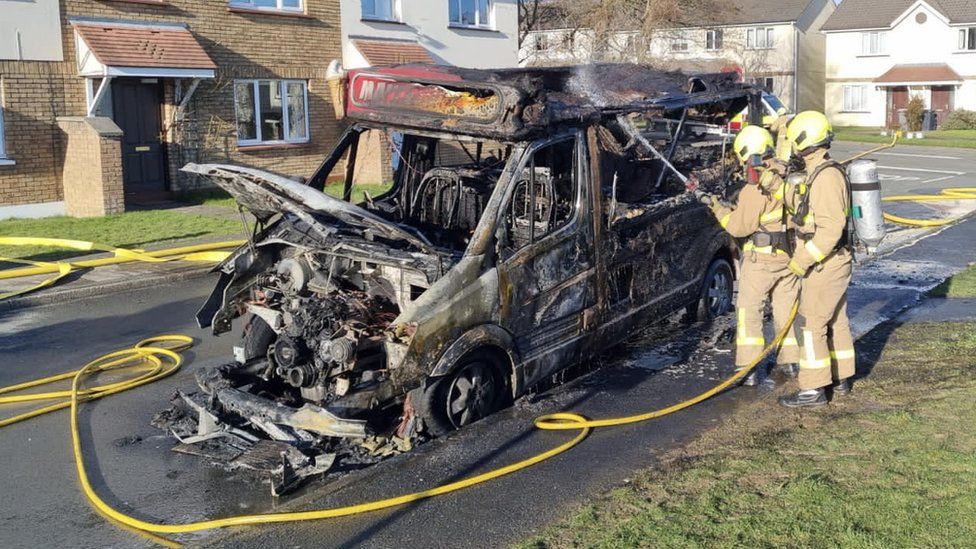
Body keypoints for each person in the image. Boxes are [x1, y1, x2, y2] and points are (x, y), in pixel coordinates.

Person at [707, 126, 800, 386]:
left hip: (761, 261)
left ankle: (747, 370)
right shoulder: (785, 175)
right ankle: (790, 361)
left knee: (750, 312)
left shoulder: (755, 187)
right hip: (789, 257)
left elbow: (740, 227)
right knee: (785, 309)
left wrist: (717, 209)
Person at [779, 111, 855, 408]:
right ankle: (841, 376)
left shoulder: (826, 177)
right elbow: (803, 210)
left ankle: (813, 389)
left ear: (803, 141)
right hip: (832, 261)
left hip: (825, 263)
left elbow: (831, 229)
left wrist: (802, 260)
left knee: (810, 324)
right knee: (835, 320)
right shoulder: (821, 172)